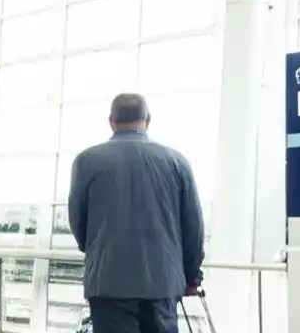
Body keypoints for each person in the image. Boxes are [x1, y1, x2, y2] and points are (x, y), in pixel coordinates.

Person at [68, 93, 205, 333]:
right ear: (148, 120)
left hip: (108, 282)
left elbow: (78, 221)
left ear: (111, 122)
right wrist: (193, 277)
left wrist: (98, 252)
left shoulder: (86, 161)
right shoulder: (177, 162)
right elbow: (193, 227)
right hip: (162, 284)